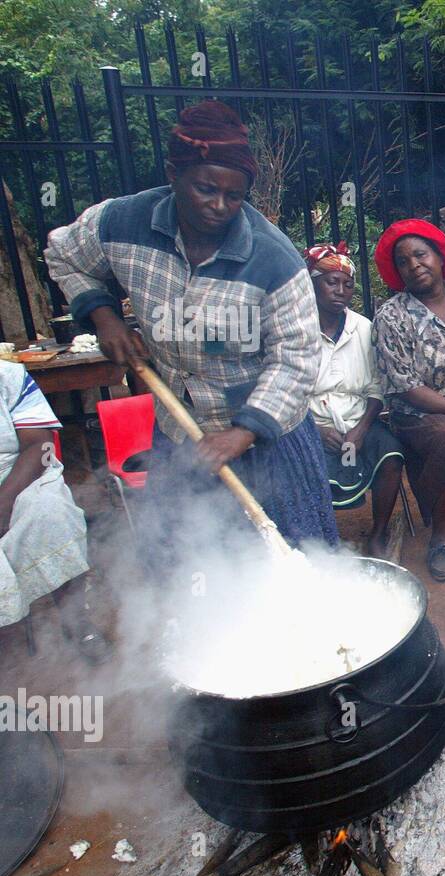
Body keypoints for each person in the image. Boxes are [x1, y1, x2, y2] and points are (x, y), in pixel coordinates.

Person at [45, 100, 337, 561]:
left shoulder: (273, 257)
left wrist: (240, 434)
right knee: (191, 566)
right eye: (205, 189)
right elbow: (63, 253)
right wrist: (103, 316)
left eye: (235, 196)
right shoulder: (121, 222)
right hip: (178, 430)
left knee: (287, 562)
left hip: (267, 441)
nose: (219, 206)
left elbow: (296, 359)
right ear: (173, 174)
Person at [372, 220, 445, 581]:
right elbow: (406, 387)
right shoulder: (391, 316)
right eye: (403, 261)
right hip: (418, 413)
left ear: (440, 256)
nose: (414, 265)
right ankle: (439, 532)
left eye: (421, 254)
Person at [304, 240, 406, 558]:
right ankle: (320, 540)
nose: (340, 290)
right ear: (312, 285)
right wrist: (314, 430)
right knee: (300, 460)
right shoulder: (295, 327)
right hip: (310, 421)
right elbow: (284, 389)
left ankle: (378, 534)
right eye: (331, 282)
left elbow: (377, 386)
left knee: (390, 454)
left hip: (358, 418)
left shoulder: (363, 328)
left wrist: (360, 431)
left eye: (347, 284)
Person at [0, 362, 104, 660]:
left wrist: (4, 503)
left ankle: (76, 619)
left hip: (19, 475)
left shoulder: (9, 377)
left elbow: (39, 447)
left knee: (51, 512)